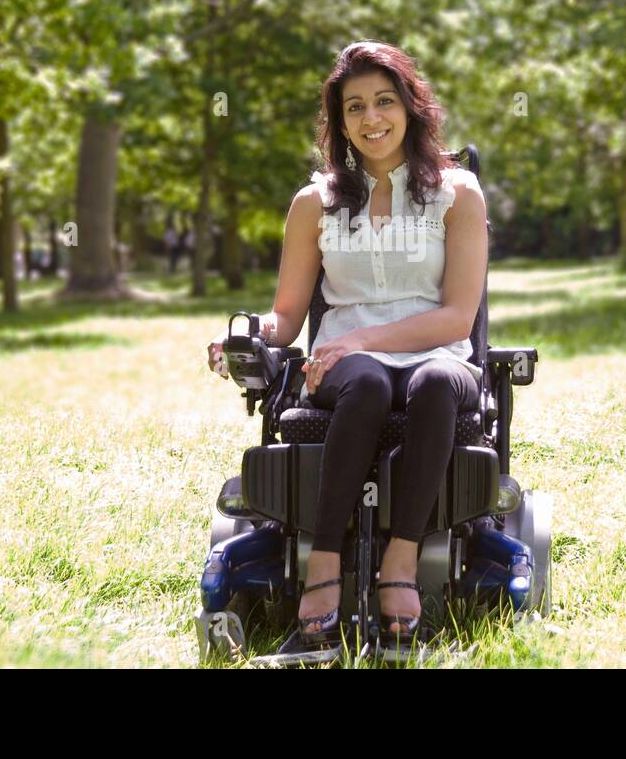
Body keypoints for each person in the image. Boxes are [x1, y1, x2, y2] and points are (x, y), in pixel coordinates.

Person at [206, 40, 487, 649]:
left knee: (434, 383)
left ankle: (402, 562)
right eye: (354, 107)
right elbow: (286, 315)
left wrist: (363, 334)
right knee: (362, 379)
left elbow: (458, 318)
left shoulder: (457, 194)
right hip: (346, 367)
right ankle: (324, 563)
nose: (371, 119)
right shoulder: (315, 203)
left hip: (438, 356)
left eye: (384, 101)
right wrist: (245, 335)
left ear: (411, 107)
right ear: (339, 121)